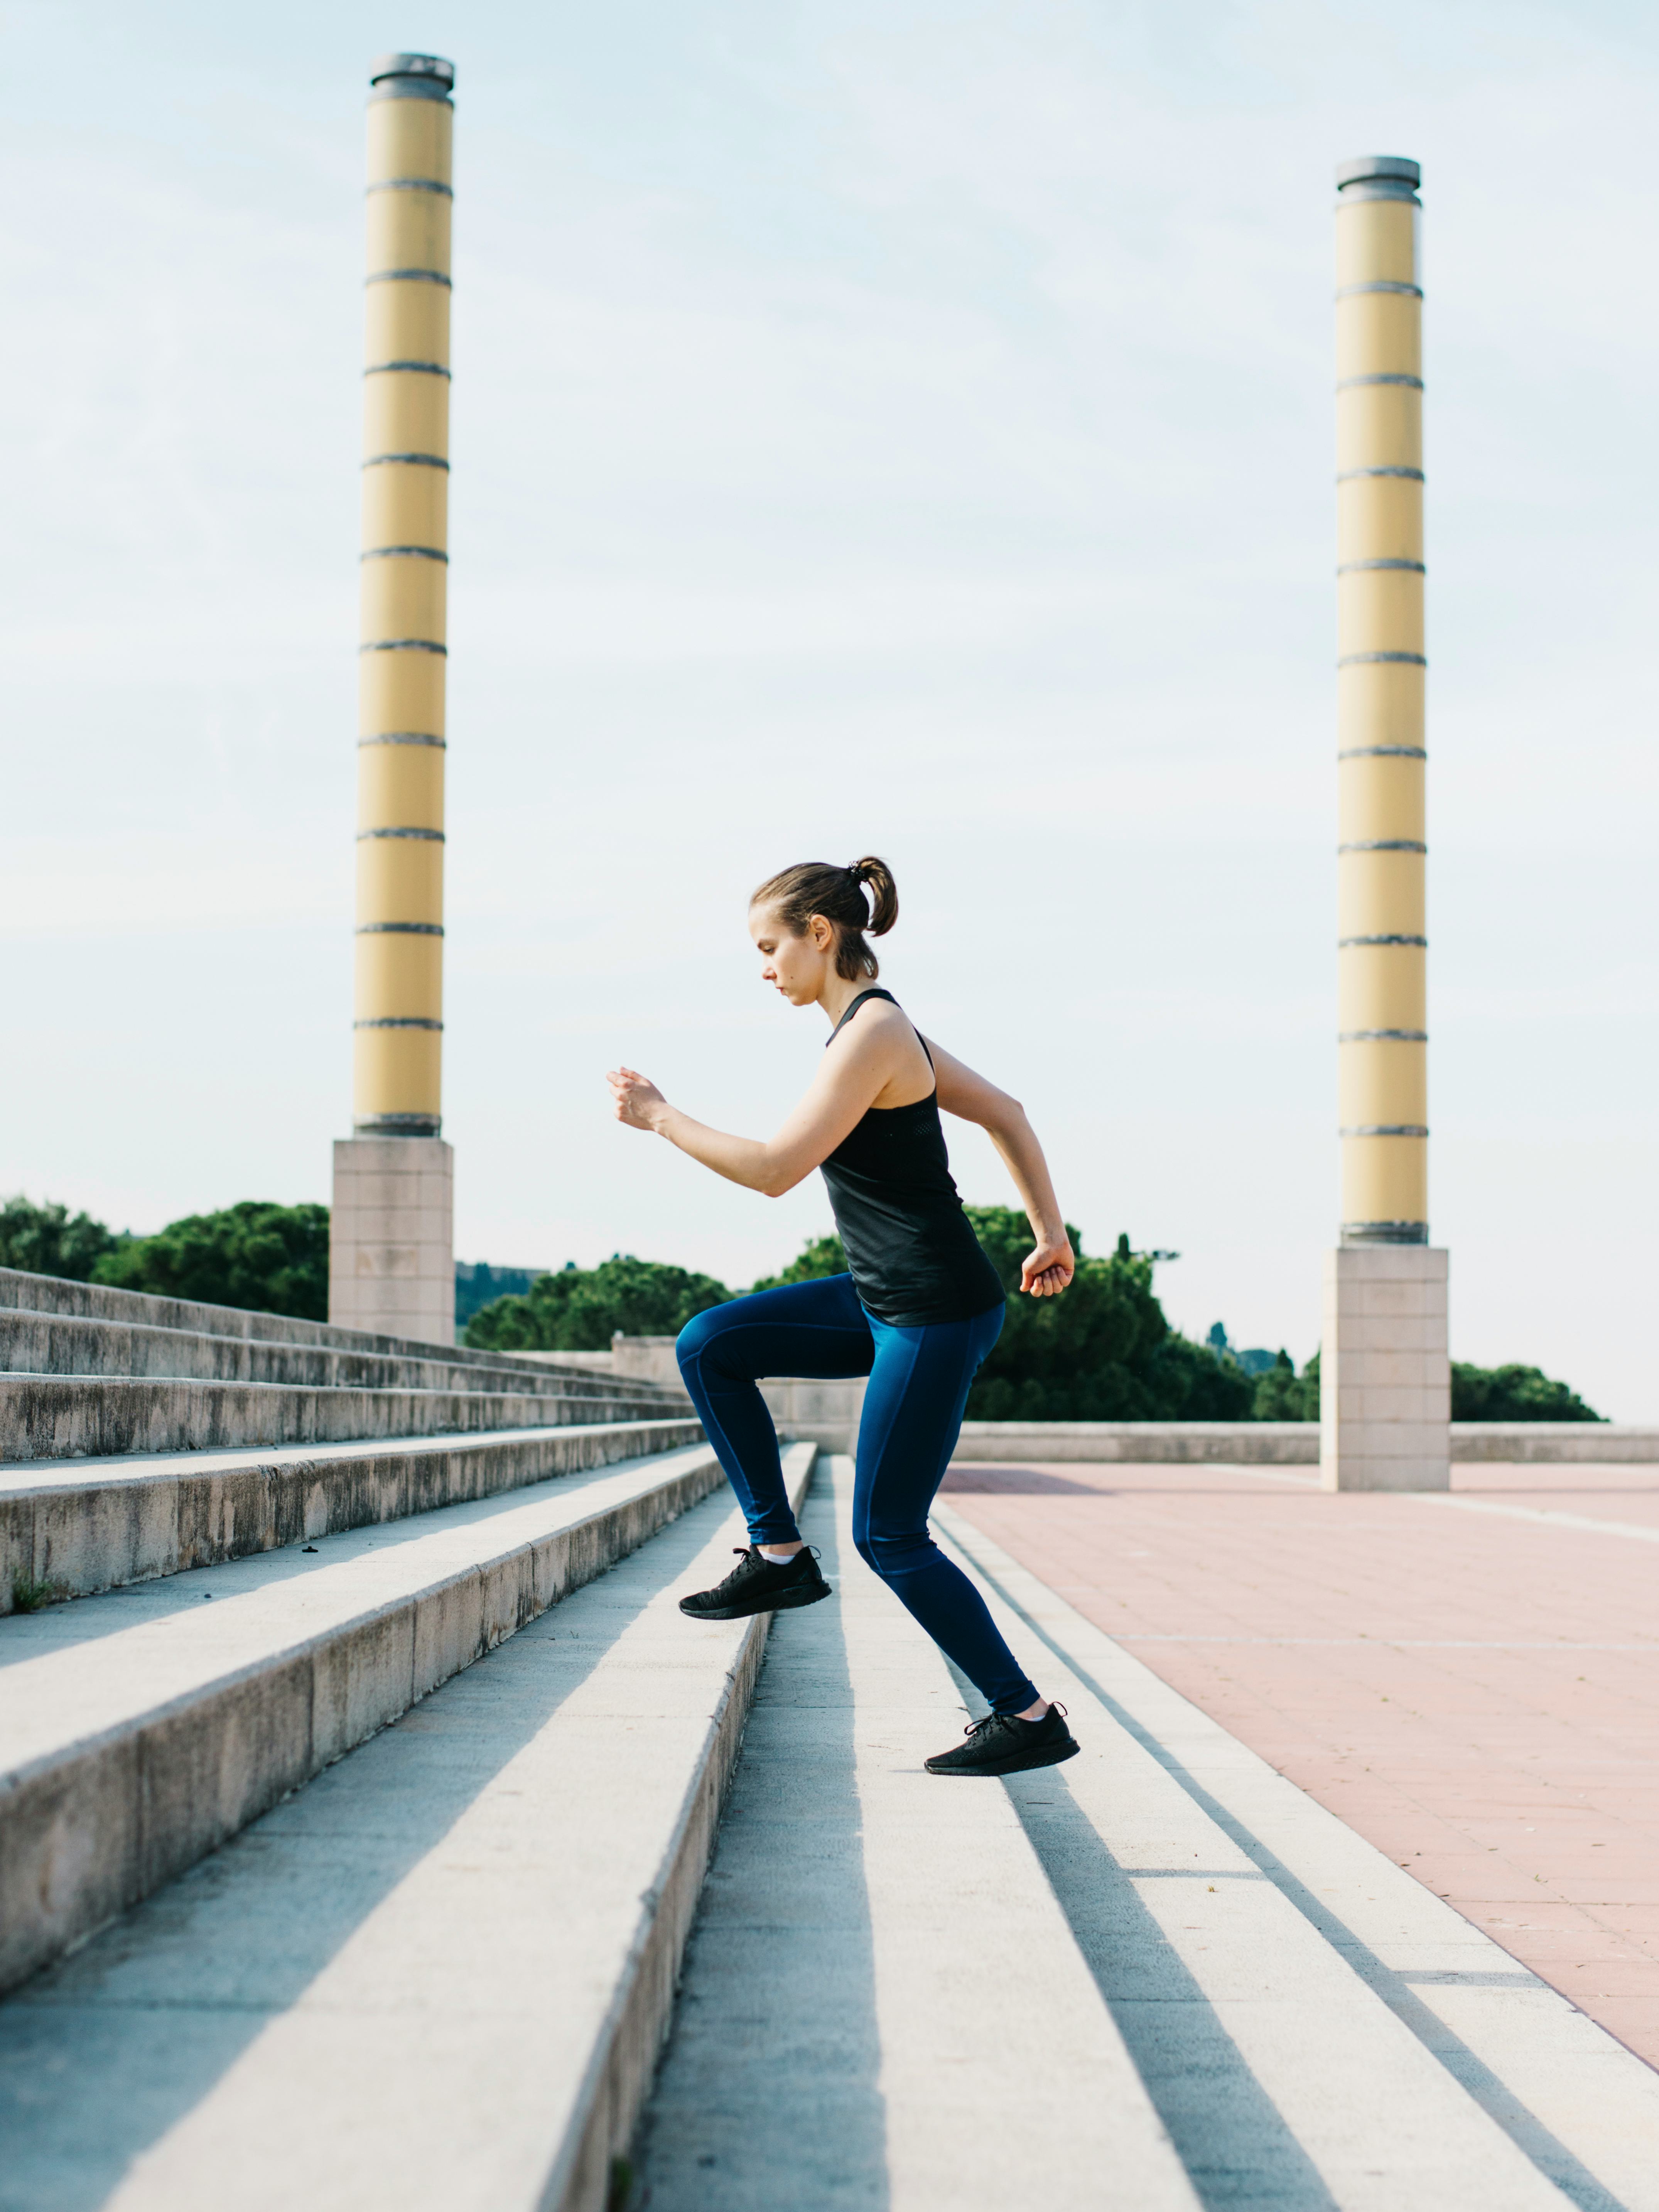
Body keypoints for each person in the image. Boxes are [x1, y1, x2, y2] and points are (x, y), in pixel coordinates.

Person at [606, 856, 1079, 1779]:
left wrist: (661, 1117)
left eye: (770, 946)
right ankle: (778, 1552)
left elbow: (776, 1169)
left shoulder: (873, 1032)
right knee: (711, 1344)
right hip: (886, 1299)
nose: (764, 966)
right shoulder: (876, 1029)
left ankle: (1026, 1715)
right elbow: (1009, 1113)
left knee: (888, 1536)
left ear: (821, 935)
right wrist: (1047, 1234)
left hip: (932, 1314)